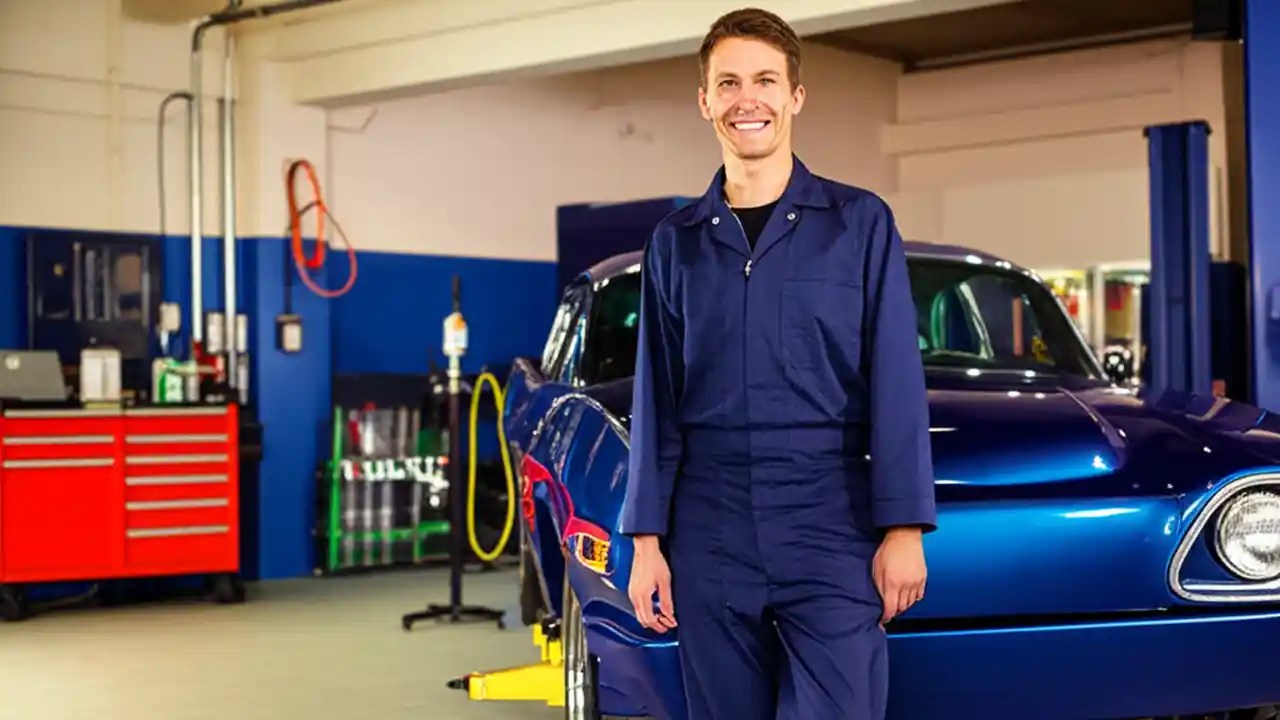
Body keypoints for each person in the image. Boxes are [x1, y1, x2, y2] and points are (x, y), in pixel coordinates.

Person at [618, 7, 937, 719]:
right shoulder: (676, 243)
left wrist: (904, 529)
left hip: (828, 519)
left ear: (796, 94)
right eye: (727, 83)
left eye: (765, 80)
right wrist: (646, 542)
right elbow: (658, 401)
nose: (746, 99)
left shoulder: (859, 224)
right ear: (705, 101)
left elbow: (895, 382)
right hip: (709, 525)